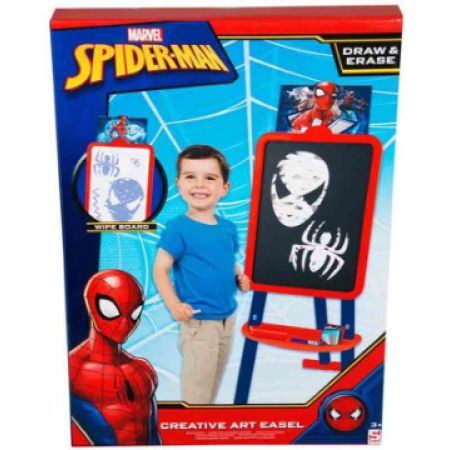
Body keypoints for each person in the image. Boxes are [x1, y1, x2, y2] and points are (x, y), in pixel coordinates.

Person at [153, 145, 250, 404]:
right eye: (190, 176)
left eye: (209, 178)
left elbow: (228, 261)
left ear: (224, 188)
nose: (199, 184)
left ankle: (205, 422)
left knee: (213, 382)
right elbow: (160, 268)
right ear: (179, 184)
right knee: (198, 389)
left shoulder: (228, 228)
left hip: (227, 318)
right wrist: (174, 304)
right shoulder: (178, 229)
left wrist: (240, 278)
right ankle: (194, 426)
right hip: (198, 322)